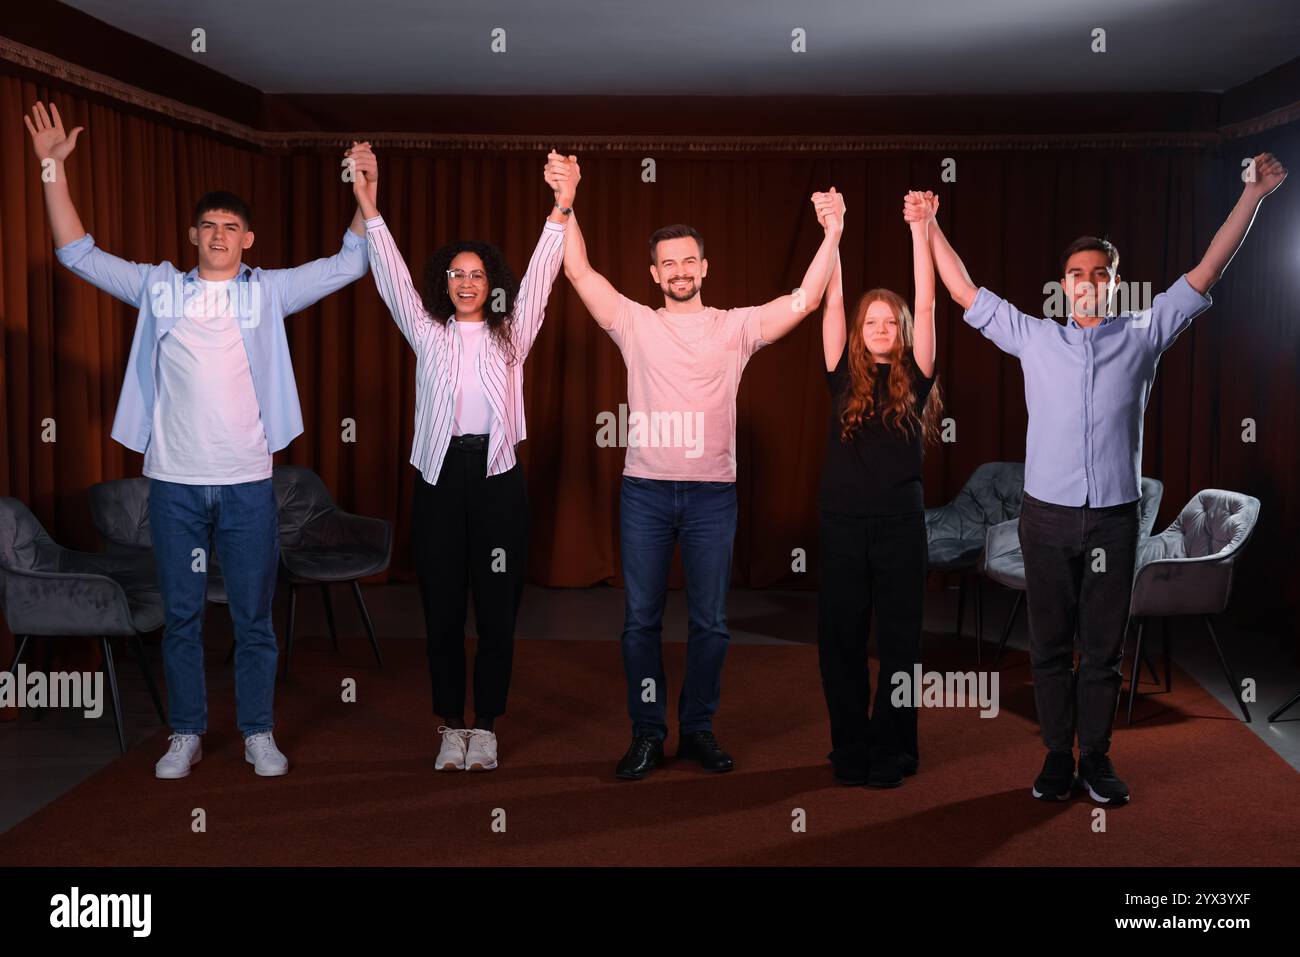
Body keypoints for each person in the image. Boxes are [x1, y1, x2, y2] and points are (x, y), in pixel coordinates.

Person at [925, 153, 1288, 805]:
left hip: (1115, 520)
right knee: (1047, 646)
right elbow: (962, 292)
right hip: (1046, 519)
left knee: (1101, 648)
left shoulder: (1145, 334)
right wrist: (928, 225)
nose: (1087, 282)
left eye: (1100, 273)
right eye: (1076, 274)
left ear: (1115, 284)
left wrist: (1253, 195)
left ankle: (1096, 758)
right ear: (1063, 285)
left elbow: (1208, 268)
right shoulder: (1034, 338)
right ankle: (1056, 758)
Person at [25, 101, 372, 779]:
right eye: (209, 225)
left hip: (246, 484)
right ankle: (184, 731)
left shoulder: (268, 292)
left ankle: (257, 732)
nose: (219, 234)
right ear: (192, 234)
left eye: (231, 227)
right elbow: (77, 253)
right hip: (176, 484)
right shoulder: (158, 289)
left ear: (248, 240)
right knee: (183, 614)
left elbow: (348, 263)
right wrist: (50, 167)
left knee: (252, 616)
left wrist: (365, 195)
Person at [555, 151, 845, 779]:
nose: (679, 271)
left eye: (689, 260)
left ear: (704, 268)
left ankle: (699, 730)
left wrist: (833, 233)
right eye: (668, 264)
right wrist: (566, 200)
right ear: (654, 274)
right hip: (646, 495)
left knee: (711, 625)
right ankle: (648, 731)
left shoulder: (734, 328)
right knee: (640, 622)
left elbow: (806, 297)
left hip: (713, 495)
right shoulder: (633, 322)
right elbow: (577, 270)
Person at [343, 143, 566, 772]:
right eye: (456, 274)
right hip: (439, 478)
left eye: (477, 275)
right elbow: (387, 274)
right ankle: (450, 726)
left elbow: (545, 274)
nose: (467, 284)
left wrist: (560, 209)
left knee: (496, 607)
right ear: (444, 282)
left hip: (497, 480)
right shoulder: (426, 331)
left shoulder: (511, 333)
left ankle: (487, 727)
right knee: (441, 605)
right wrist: (368, 202)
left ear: (492, 284)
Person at [816, 190, 944, 788]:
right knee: (840, 641)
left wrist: (923, 231)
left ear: (904, 330)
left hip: (899, 529)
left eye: (891, 320)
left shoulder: (916, 378)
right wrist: (834, 230)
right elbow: (832, 296)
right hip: (841, 526)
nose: (882, 326)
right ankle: (849, 747)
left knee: (899, 645)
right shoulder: (841, 371)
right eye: (873, 320)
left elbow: (929, 299)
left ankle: (893, 749)